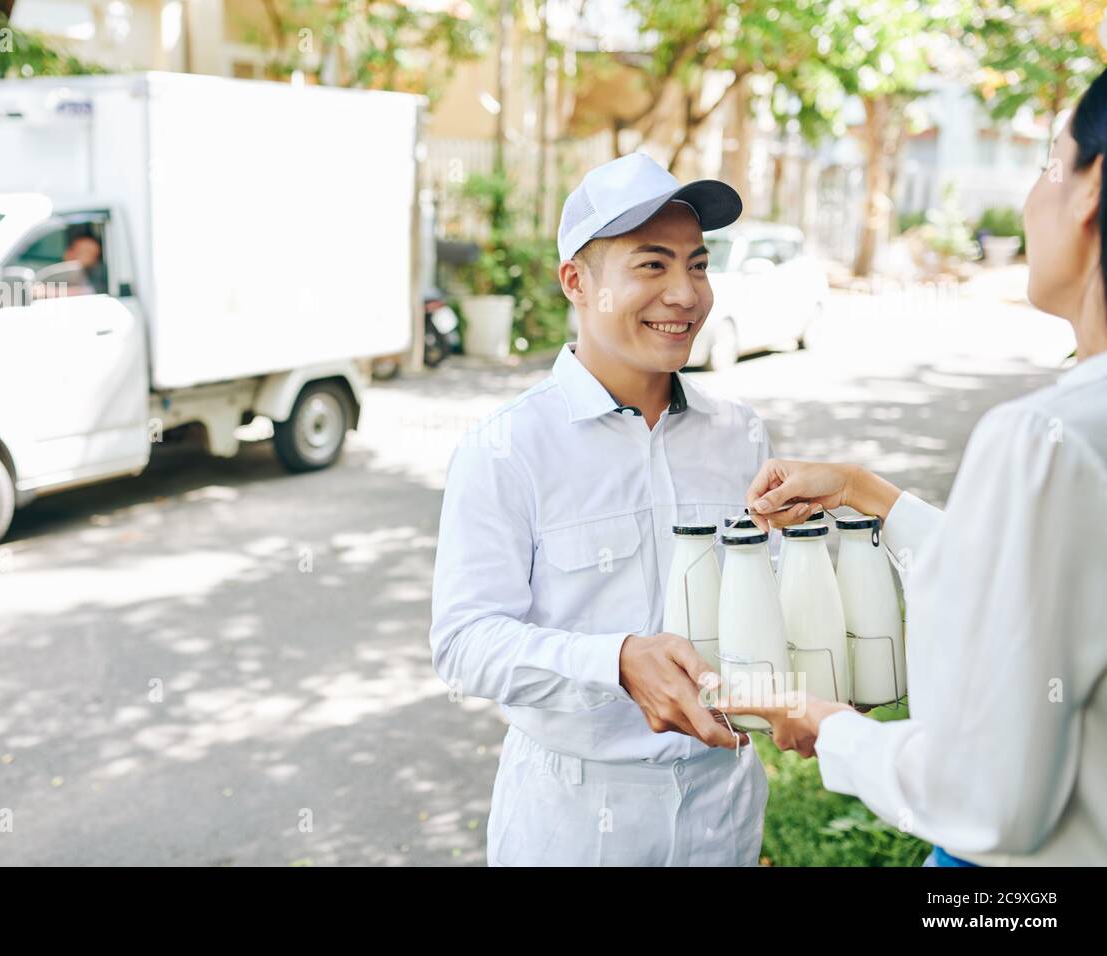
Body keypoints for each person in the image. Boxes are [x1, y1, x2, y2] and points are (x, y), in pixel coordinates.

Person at [722, 69, 1107, 866]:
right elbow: (1041, 590)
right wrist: (865, 491)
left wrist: (831, 728)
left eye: (1045, 164)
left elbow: (987, 801)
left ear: (1090, 189)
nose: (1035, 197)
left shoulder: (1044, 436)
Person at [430, 152, 775, 866]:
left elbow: (770, 609)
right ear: (576, 282)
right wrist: (614, 661)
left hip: (723, 811)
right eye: (652, 265)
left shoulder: (740, 434)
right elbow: (464, 645)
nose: (684, 293)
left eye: (698, 264)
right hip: (573, 821)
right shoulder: (507, 449)